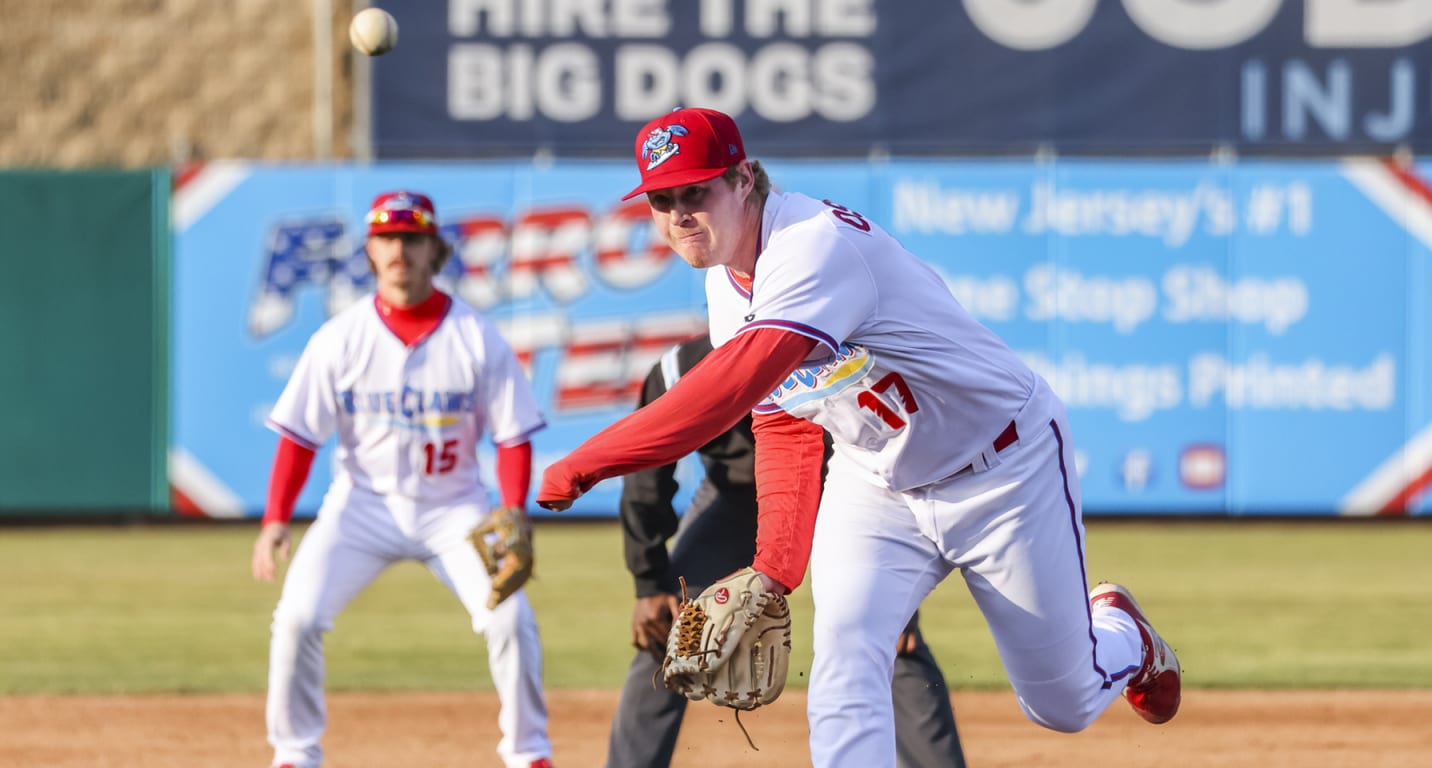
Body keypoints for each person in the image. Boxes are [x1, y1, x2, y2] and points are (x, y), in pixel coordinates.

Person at [536, 108, 1182, 766]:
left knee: (1062, 704)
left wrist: (589, 461)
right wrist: (774, 569)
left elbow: (725, 390)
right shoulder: (725, 287)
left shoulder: (812, 244)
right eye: (662, 200)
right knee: (843, 669)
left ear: (744, 179)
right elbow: (782, 421)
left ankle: (1124, 634)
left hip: (1002, 470)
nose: (679, 214)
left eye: (696, 191)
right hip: (876, 479)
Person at [251, 190, 555, 768]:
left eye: (411, 238)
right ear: (369, 249)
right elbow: (299, 438)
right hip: (362, 507)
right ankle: (294, 754)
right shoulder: (339, 338)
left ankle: (529, 753)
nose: (399, 249)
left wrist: (511, 511)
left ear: (433, 249)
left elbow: (513, 436)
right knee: (296, 618)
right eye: (387, 238)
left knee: (512, 617)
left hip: (456, 509)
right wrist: (273, 519)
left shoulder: (475, 335)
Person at [606, 335, 967, 768]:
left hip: (842, 491)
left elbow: (893, 463)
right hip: (736, 499)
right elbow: (645, 475)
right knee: (674, 628)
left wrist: (900, 601)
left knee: (886, 629)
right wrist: (649, 583)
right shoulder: (681, 371)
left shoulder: (834, 362)